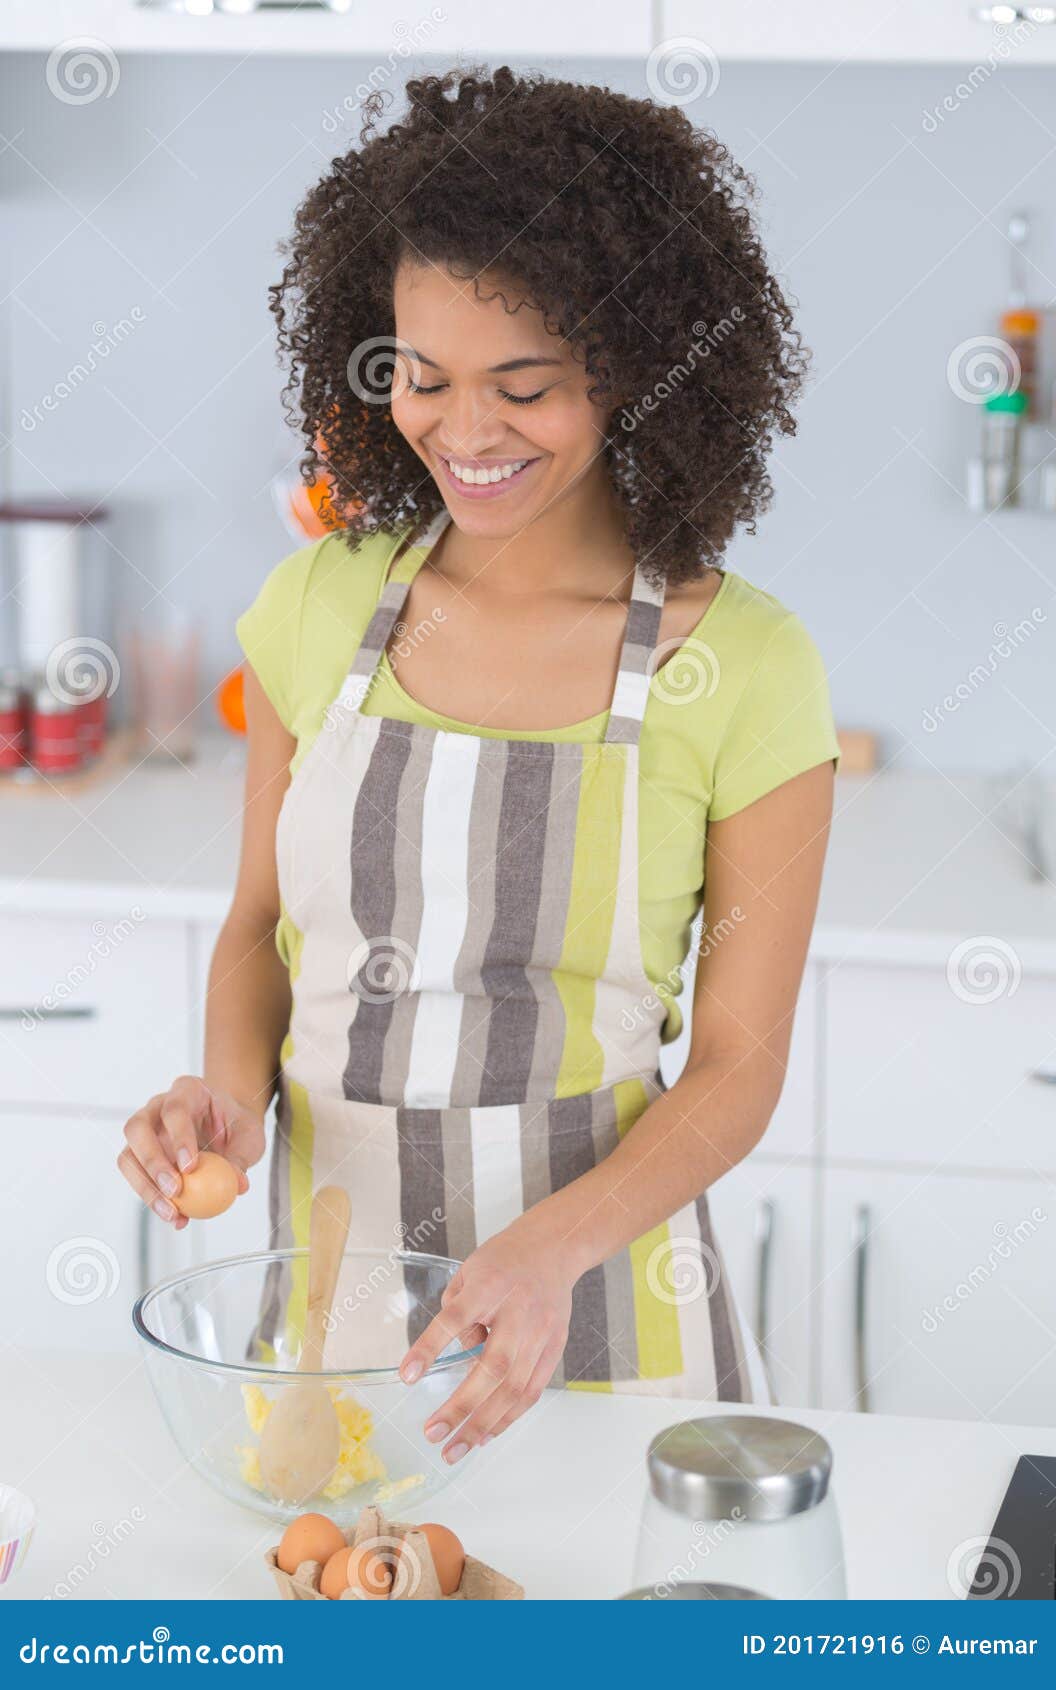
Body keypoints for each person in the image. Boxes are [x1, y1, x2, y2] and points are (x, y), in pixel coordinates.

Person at [118, 66, 838, 1465]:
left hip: (608, 1331)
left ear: (629, 370)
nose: (464, 432)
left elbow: (740, 1068)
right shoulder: (318, 608)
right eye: (421, 379)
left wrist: (541, 1253)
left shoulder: (744, 665)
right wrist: (222, 1096)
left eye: (524, 387)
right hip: (335, 1339)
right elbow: (258, 934)